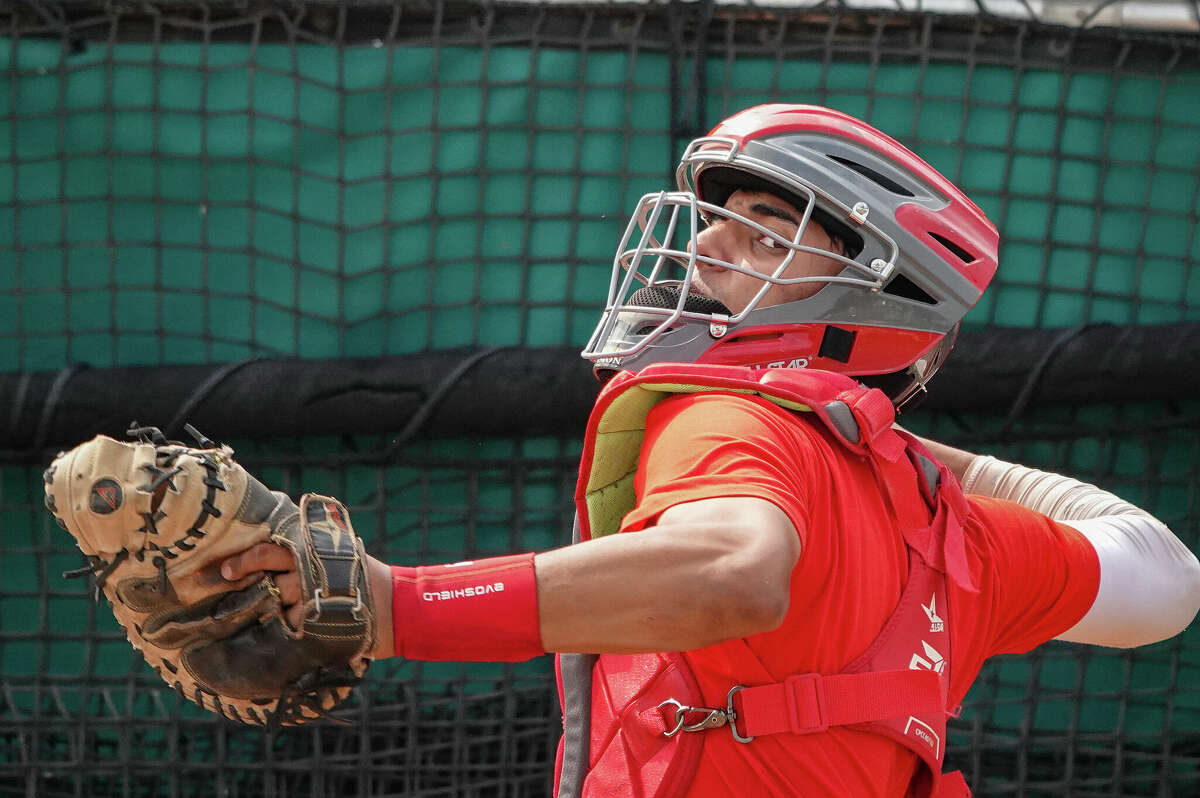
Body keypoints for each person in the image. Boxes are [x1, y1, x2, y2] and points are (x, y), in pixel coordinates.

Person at [219, 105, 1200, 797]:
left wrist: (398, 607)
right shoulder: (954, 530)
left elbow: (734, 570)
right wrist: (890, 438)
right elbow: (1166, 578)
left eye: (765, 233)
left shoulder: (733, 422)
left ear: (878, 295)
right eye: (720, 225)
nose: (703, 252)